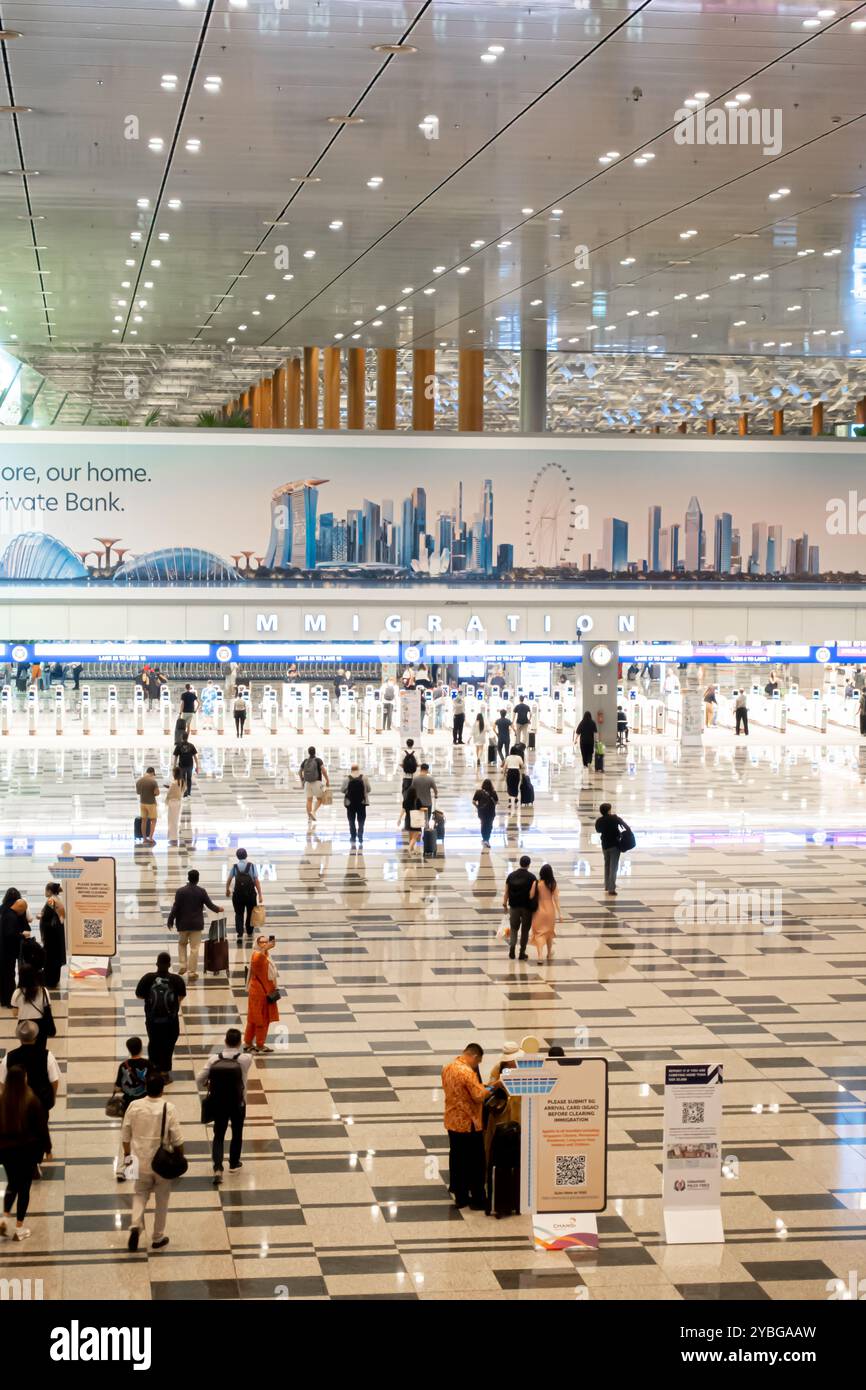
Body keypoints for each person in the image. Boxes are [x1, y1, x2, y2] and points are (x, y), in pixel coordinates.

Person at [121, 1072, 185, 1252]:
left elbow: (125, 1135)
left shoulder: (134, 1105)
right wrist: (179, 1159)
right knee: (162, 1200)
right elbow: (178, 1140)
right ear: (162, 1089)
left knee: (139, 1194)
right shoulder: (168, 1107)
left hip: (138, 1159)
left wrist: (127, 1157)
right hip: (161, 1162)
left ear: (146, 1088)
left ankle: (135, 1225)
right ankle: (157, 1237)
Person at [0, 1065, 50, 1242]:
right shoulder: (31, 1100)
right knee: (24, 1187)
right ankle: (19, 1228)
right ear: (24, 1079)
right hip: (27, 1151)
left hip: (5, 1151)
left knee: (12, 1183)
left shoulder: (2, 1100)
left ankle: (4, 1218)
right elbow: (41, 1128)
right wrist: (48, 1148)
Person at [0, 1020, 59, 1168]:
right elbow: (54, 1080)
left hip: (16, 1101)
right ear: (36, 1035)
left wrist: (9, 1097)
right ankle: (36, 1159)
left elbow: (2, 1082)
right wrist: (52, 1097)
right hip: (40, 1100)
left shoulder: (9, 1057)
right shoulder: (47, 1055)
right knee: (40, 1126)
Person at [441, 1044, 492, 1211]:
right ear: (475, 1056)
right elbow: (478, 1096)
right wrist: (492, 1087)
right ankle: (477, 1198)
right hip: (468, 1123)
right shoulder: (467, 1072)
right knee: (475, 1161)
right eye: (478, 1062)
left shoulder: (447, 1068)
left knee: (457, 1158)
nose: (477, 1066)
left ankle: (460, 1197)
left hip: (452, 1120)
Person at [197, 1027, 251, 1183]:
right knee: (237, 1132)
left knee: (219, 1135)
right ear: (239, 1042)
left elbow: (200, 1079)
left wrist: (208, 1084)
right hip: (238, 1102)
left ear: (225, 1041)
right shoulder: (246, 1059)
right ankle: (234, 1163)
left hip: (219, 1102)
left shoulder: (214, 1059)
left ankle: (218, 1168)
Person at [135, 952, 186, 1080]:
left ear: (157, 964)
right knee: (168, 1045)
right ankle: (164, 1073)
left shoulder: (148, 978)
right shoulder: (177, 979)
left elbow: (139, 995)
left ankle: (154, 1069)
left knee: (154, 1043)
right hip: (171, 1021)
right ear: (169, 964)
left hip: (152, 1020)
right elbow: (181, 996)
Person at [167, 868, 221, 981]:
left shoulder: (180, 891)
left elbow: (175, 907)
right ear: (197, 879)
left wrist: (170, 919)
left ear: (188, 878)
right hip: (196, 925)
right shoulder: (201, 891)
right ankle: (192, 972)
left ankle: (182, 965)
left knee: (182, 944)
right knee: (194, 948)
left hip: (182, 923)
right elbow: (209, 905)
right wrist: (218, 909)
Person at [244, 935, 280, 1054]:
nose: (265, 944)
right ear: (257, 944)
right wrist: (265, 949)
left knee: (255, 1018)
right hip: (260, 993)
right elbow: (257, 959)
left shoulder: (265, 954)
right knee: (261, 1019)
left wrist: (266, 949)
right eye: (262, 942)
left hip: (263, 991)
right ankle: (259, 1044)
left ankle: (248, 1042)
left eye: (266, 941)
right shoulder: (257, 955)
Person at [502, 855, 537, 961]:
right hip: (527, 908)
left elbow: (506, 892)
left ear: (520, 863)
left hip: (513, 907)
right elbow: (532, 895)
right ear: (529, 864)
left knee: (513, 929)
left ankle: (512, 950)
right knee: (525, 930)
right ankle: (522, 953)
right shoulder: (532, 877)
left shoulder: (511, 876)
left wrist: (504, 904)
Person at [12, 964, 55, 1048]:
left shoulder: (17, 993)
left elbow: (15, 1013)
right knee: (41, 1049)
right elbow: (49, 1007)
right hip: (41, 1024)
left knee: (26, 1050)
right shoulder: (43, 990)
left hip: (24, 1025)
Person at [111, 1036, 151, 1126]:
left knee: (127, 1123)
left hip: (128, 1101)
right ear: (141, 1048)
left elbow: (118, 1086)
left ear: (128, 1049)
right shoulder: (147, 1064)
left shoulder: (123, 1065)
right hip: (144, 1101)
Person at [0, 888, 29, 1008]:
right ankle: (9, 1000)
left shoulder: (3, 910)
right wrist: (22, 935)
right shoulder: (13, 915)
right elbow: (12, 933)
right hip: (11, 949)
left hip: (3, 947)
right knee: (10, 974)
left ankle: (4, 998)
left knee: (4, 973)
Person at [226, 849, 263, 941]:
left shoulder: (235, 867)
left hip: (238, 895)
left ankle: (239, 933)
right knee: (251, 913)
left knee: (238, 913)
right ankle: (249, 931)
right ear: (246, 855)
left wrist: (227, 889)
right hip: (250, 894)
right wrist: (260, 894)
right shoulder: (252, 866)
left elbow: (229, 879)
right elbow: (256, 881)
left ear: (237, 856)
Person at [595, 801, 630, 898]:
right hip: (614, 845)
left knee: (607, 865)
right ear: (609, 810)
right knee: (613, 867)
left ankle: (607, 886)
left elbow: (598, 830)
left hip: (605, 845)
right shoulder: (614, 818)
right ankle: (612, 889)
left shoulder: (599, 820)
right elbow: (625, 826)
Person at [529, 864, 561, 963]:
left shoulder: (536, 883)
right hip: (550, 911)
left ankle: (540, 956)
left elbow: (531, 896)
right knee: (549, 933)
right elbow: (556, 899)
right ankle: (549, 953)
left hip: (538, 911)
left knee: (539, 933)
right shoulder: (553, 884)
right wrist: (560, 914)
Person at [39, 883, 66, 990]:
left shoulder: (51, 900)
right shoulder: (58, 899)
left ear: (49, 890)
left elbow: (46, 916)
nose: (45, 892)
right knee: (55, 955)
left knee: (50, 956)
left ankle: (49, 980)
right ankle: (55, 979)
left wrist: (39, 915)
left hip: (51, 934)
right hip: (57, 932)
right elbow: (61, 917)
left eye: (46, 890)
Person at [299, 745, 329, 823]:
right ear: (315, 752)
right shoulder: (318, 760)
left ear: (308, 753)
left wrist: (302, 780)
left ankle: (309, 817)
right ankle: (313, 812)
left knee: (309, 800)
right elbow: (323, 771)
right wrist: (327, 780)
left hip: (307, 783)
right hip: (317, 782)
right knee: (320, 799)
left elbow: (300, 772)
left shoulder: (305, 761)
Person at [342, 764, 371, 846]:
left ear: (351, 769)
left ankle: (353, 836)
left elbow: (342, 790)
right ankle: (360, 833)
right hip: (362, 802)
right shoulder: (364, 778)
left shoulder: (347, 778)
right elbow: (369, 789)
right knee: (361, 819)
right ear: (358, 769)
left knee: (351, 820)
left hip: (350, 803)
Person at [135, 764, 160, 845]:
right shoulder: (153, 781)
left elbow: (138, 792)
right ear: (152, 773)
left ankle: (145, 838)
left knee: (144, 820)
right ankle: (151, 837)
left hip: (142, 803)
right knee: (154, 820)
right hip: (151, 803)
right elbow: (157, 793)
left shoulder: (139, 781)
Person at [472, 778, 498, 847]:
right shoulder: (493, 792)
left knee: (483, 824)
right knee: (489, 825)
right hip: (491, 812)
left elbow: (473, 801)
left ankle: (484, 838)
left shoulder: (478, 792)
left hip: (482, 812)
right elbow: (496, 802)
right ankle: (487, 839)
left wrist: (477, 807)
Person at [173, 733, 199, 798]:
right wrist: (197, 765)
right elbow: (195, 756)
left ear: (182, 737)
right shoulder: (191, 745)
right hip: (190, 765)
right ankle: (189, 793)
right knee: (189, 779)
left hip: (182, 766)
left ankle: (184, 793)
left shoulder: (179, 746)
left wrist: (174, 766)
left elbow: (176, 757)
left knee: (183, 779)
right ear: (187, 737)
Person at [164, 768, 184, 846]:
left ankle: (173, 837)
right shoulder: (182, 782)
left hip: (172, 802)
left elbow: (169, 794)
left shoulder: (174, 783)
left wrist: (166, 802)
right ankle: (173, 836)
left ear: (175, 773)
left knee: (171, 821)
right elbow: (182, 791)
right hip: (178, 802)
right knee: (175, 820)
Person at [502, 746, 525, 813]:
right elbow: (522, 765)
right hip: (516, 772)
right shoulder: (519, 757)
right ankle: (515, 800)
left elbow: (505, 767)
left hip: (510, 772)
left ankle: (510, 801)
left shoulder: (508, 757)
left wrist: (504, 774)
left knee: (509, 786)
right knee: (515, 786)